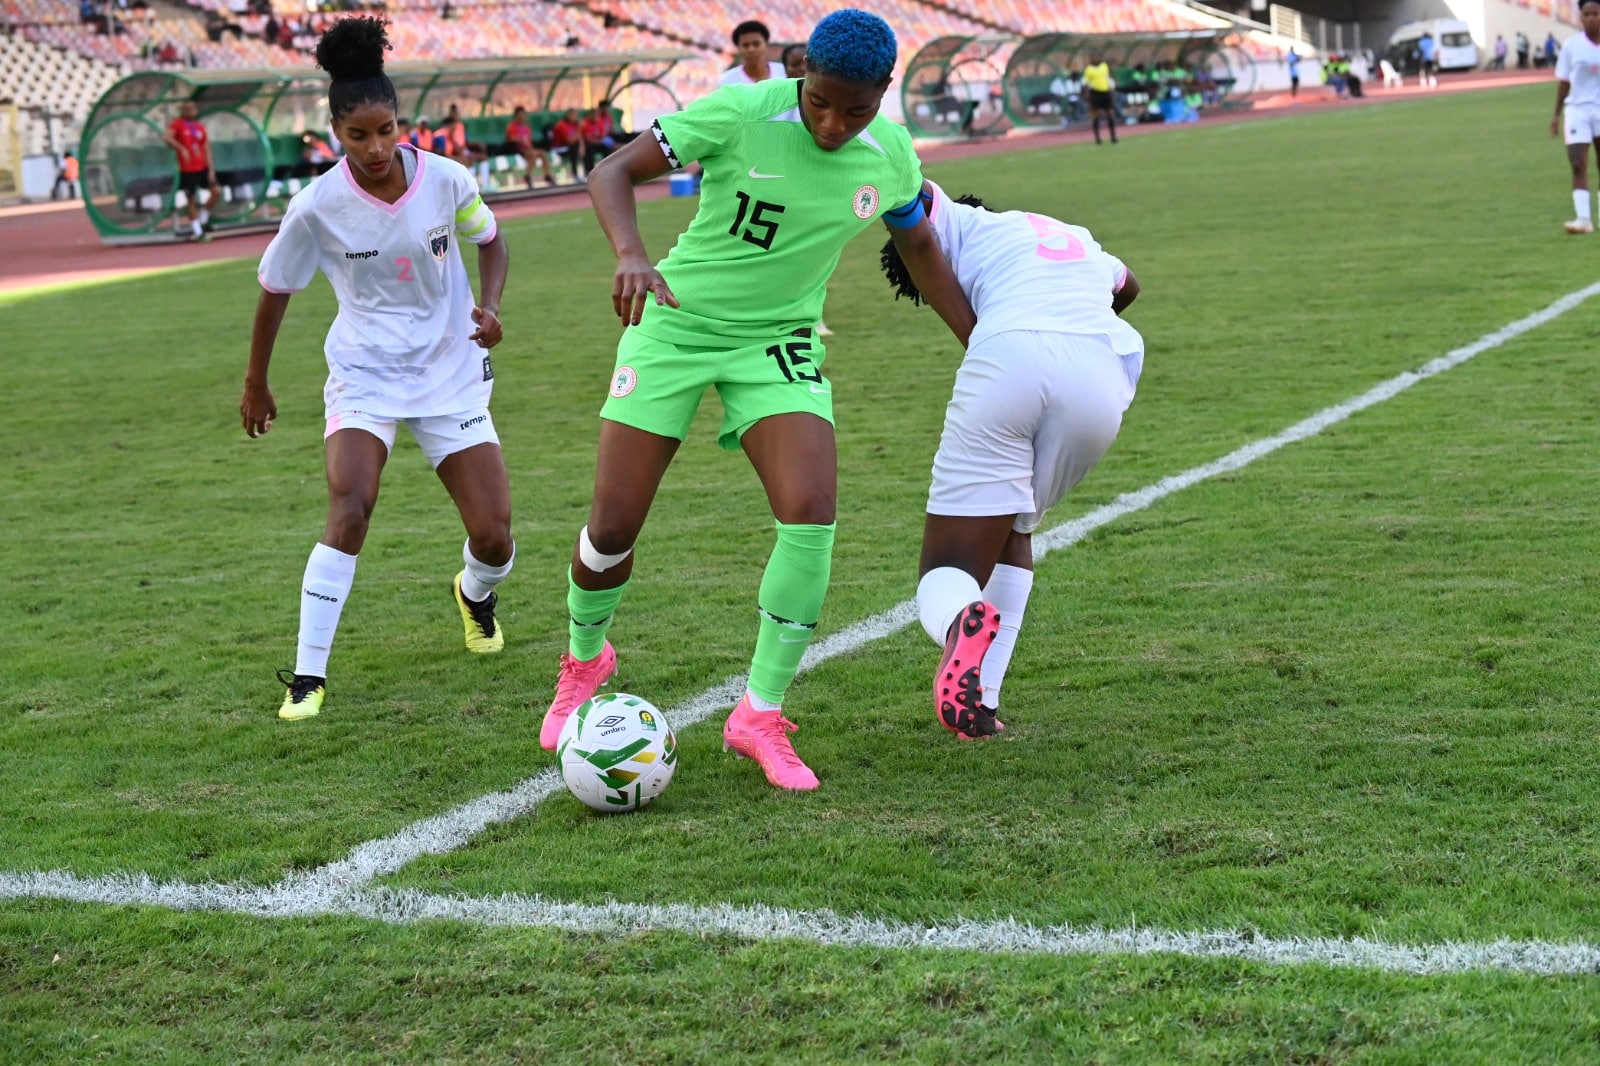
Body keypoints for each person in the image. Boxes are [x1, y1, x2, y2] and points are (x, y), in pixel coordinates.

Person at [537, 9, 974, 789]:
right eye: (819, 103)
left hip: (778, 341)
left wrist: (974, 339)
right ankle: (584, 659)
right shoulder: (742, 111)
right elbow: (609, 172)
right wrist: (632, 255)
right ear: (800, 77)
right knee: (611, 528)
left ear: (883, 96)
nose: (834, 124)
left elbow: (919, 246)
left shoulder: (893, 157)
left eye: (856, 109)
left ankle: (759, 714)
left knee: (811, 511)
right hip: (673, 322)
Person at [239, 17, 514, 720]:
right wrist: (256, 382)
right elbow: (275, 290)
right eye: (357, 135)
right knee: (351, 504)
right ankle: (308, 676)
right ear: (335, 132)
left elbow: (492, 240)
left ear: (401, 123)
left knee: (494, 534)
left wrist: (488, 306)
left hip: (450, 370)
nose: (374, 146)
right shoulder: (317, 208)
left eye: (385, 130)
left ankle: (475, 593)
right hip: (364, 373)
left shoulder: (447, 178)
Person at [877, 181, 1142, 739]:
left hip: (1011, 359)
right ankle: (982, 705)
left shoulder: (947, 221)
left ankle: (958, 622)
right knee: (1013, 522)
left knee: (945, 572)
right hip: (1104, 370)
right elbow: (1129, 284)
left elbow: (908, 196)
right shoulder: (1061, 231)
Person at [1554, 0, 1600, 234]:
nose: (1591, 18)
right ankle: (1584, 219)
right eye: (1587, 14)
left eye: (1596, 13)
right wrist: (1555, 115)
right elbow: (1564, 82)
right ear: (1580, 17)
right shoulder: (1571, 46)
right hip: (1577, 111)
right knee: (1577, 163)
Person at [162, 99, 222, 240]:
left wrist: (211, 169)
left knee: (216, 191)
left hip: (202, 166)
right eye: (187, 108)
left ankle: (203, 218)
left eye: (192, 108)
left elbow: (206, 148)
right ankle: (197, 231)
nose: (190, 111)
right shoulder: (177, 124)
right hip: (186, 169)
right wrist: (181, 148)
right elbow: (167, 137)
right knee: (191, 199)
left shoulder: (199, 126)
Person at [718, 19, 785, 86]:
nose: (751, 49)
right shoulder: (727, 81)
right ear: (738, 48)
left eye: (756, 44)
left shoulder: (784, 72)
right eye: (745, 45)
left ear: (766, 44)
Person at [504, 105, 557, 187]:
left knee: (542, 153)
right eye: (520, 115)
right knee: (533, 155)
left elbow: (529, 141)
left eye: (523, 115)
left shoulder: (527, 127)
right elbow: (512, 139)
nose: (522, 117)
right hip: (517, 149)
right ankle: (527, 176)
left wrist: (530, 147)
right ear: (516, 116)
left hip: (528, 149)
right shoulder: (512, 126)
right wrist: (521, 140)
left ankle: (547, 175)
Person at [1082, 51, 1117, 144]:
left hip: (1106, 92)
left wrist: (1112, 90)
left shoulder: (1104, 66)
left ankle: (1113, 136)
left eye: (1096, 56)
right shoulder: (1088, 69)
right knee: (1095, 114)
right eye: (1092, 57)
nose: (1094, 58)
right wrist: (1087, 95)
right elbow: (1086, 83)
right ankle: (1097, 138)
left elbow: (1110, 77)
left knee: (1110, 113)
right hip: (1095, 93)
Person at [548, 107, 586, 179]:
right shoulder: (561, 125)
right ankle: (575, 175)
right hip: (558, 148)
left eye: (576, 115)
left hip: (569, 147)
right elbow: (570, 141)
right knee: (574, 149)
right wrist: (580, 128)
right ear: (568, 115)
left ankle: (587, 172)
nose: (575, 117)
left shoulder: (575, 124)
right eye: (573, 115)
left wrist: (582, 146)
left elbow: (579, 138)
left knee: (586, 147)